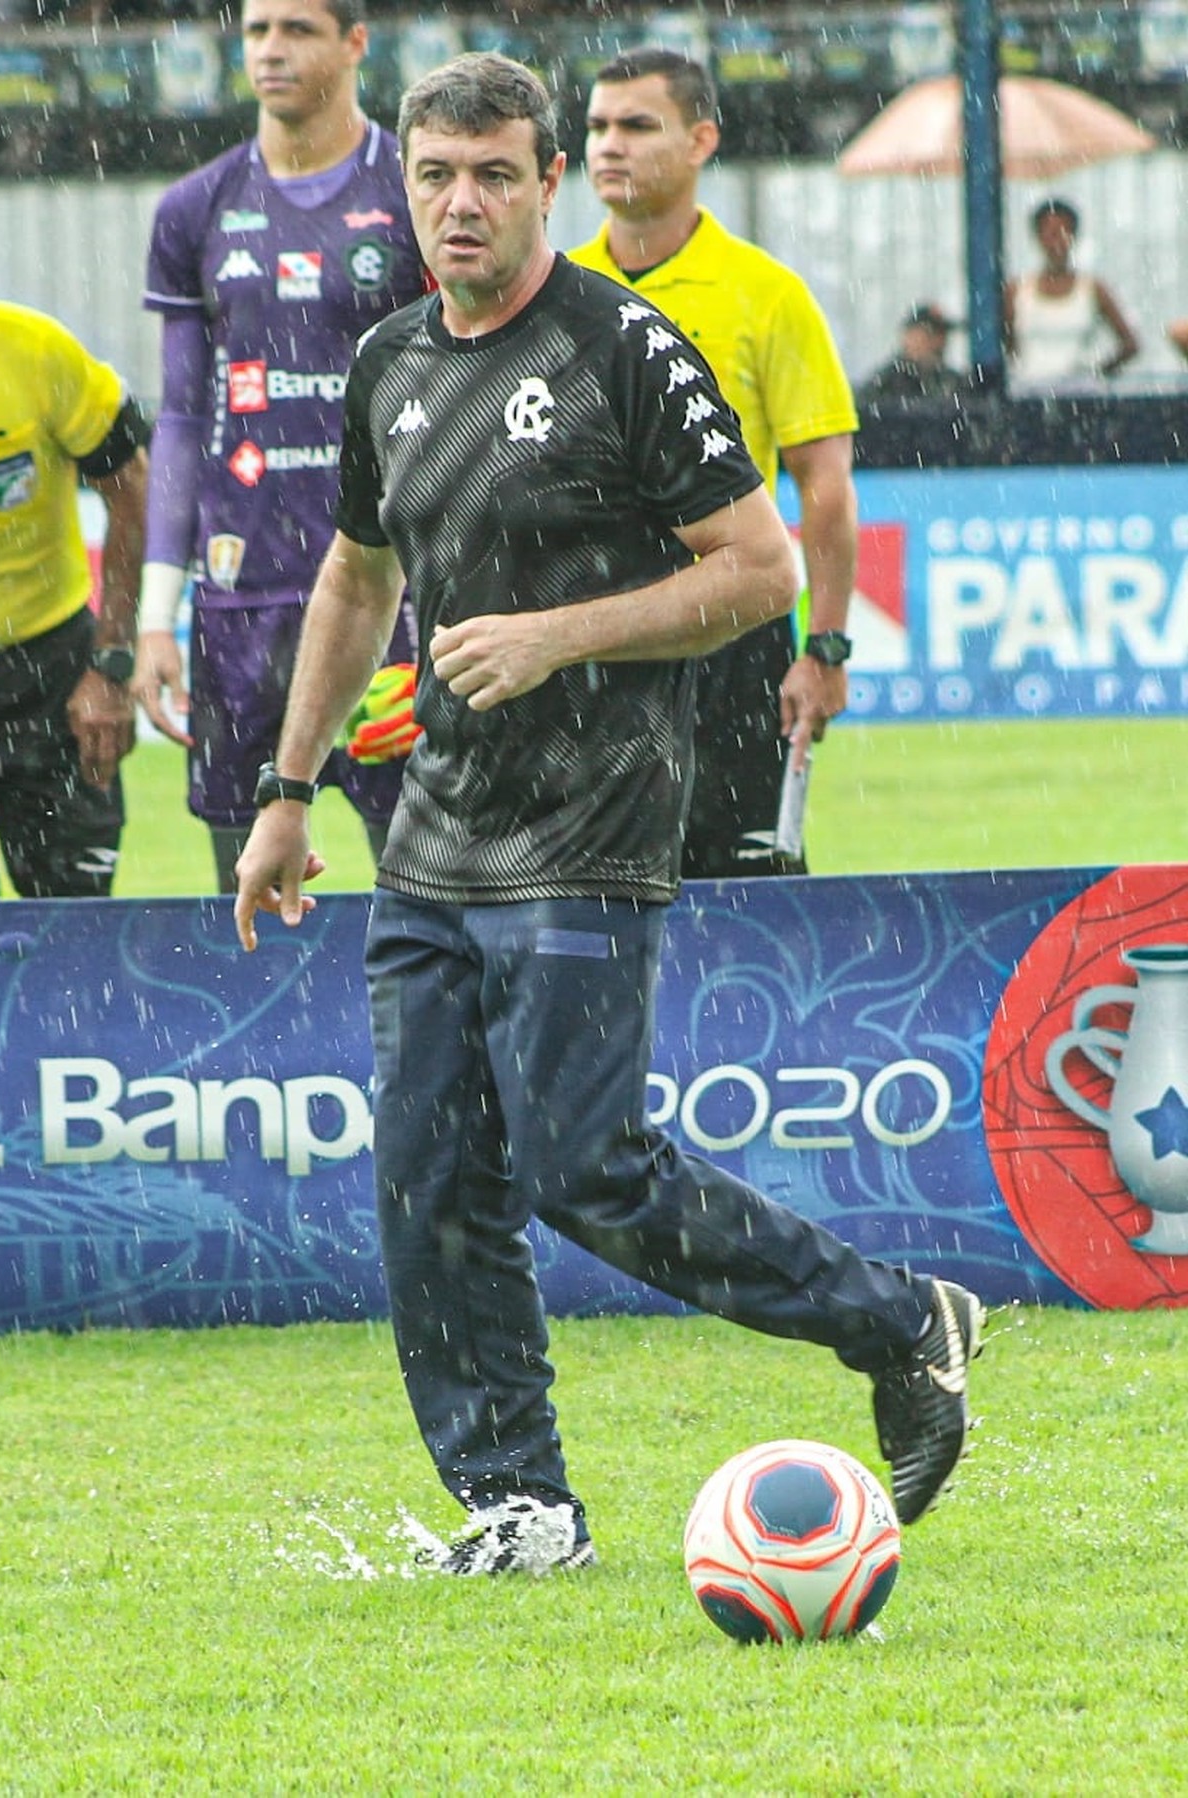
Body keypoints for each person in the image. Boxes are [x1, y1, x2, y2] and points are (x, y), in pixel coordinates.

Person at [233, 50, 985, 1576]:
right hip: (434, 838)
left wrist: (557, 637)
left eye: (493, 175)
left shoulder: (624, 346)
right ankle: (521, 1504)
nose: (461, 203)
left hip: (592, 827)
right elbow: (357, 579)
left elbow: (759, 570)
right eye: (436, 176)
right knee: (427, 1183)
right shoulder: (390, 362)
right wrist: (287, 789)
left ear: (547, 183)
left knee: (587, 1169)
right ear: (405, 186)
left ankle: (903, 1321)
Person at [134, 0, 426, 892]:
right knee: (247, 896)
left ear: (355, 42)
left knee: (433, 887)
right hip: (243, 599)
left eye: (297, 29)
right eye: (257, 29)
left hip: (396, 595)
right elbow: (183, 417)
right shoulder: (195, 207)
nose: (270, 49)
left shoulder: (415, 192)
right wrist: (155, 614)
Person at [570, 47, 859, 879]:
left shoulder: (766, 293)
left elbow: (824, 486)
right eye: (597, 126)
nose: (609, 145)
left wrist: (825, 650)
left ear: (701, 141)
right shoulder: (557, 291)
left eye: (637, 125)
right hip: (589, 634)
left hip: (730, 636)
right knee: (588, 899)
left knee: (741, 899)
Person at [0, 300, 148, 898]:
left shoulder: (35, 349)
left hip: (49, 673)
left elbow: (131, 488)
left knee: (75, 930)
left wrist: (111, 664)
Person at [1003, 197, 1139, 390]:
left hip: (1081, 396)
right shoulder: (1017, 291)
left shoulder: (1093, 289)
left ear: (1074, 236)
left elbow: (1130, 344)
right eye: (1050, 233)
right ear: (1037, 237)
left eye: (1064, 232)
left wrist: (1096, 374)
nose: (1057, 241)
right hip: (1027, 393)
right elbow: (1006, 344)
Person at [856, 302, 970, 405]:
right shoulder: (884, 383)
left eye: (943, 335)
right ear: (908, 337)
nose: (939, 342)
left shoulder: (953, 381)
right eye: (930, 334)